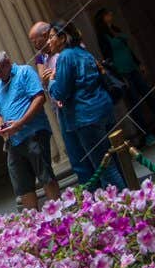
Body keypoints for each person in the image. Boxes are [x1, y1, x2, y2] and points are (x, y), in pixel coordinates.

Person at [48, 22, 123, 189]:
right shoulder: (82, 51)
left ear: (62, 38)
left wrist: (52, 81)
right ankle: (131, 197)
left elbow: (60, 92)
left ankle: (127, 207)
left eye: (51, 36)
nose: (49, 41)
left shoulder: (65, 57)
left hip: (86, 116)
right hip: (103, 108)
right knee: (116, 161)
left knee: (105, 168)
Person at [91, 7, 155, 145]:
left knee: (148, 95)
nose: (111, 14)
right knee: (134, 104)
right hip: (122, 72)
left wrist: (138, 63)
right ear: (102, 18)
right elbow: (108, 58)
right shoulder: (102, 36)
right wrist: (116, 75)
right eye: (108, 14)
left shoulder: (116, 29)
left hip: (132, 67)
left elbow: (128, 49)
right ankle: (146, 135)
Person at [0, 49, 61, 211]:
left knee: (46, 177)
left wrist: (20, 123)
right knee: (23, 187)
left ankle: (59, 218)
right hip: (13, 142)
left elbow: (39, 97)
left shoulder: (24, 72)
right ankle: (33, 228)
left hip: (33, 134)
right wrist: (1, 125)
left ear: (7, 62)